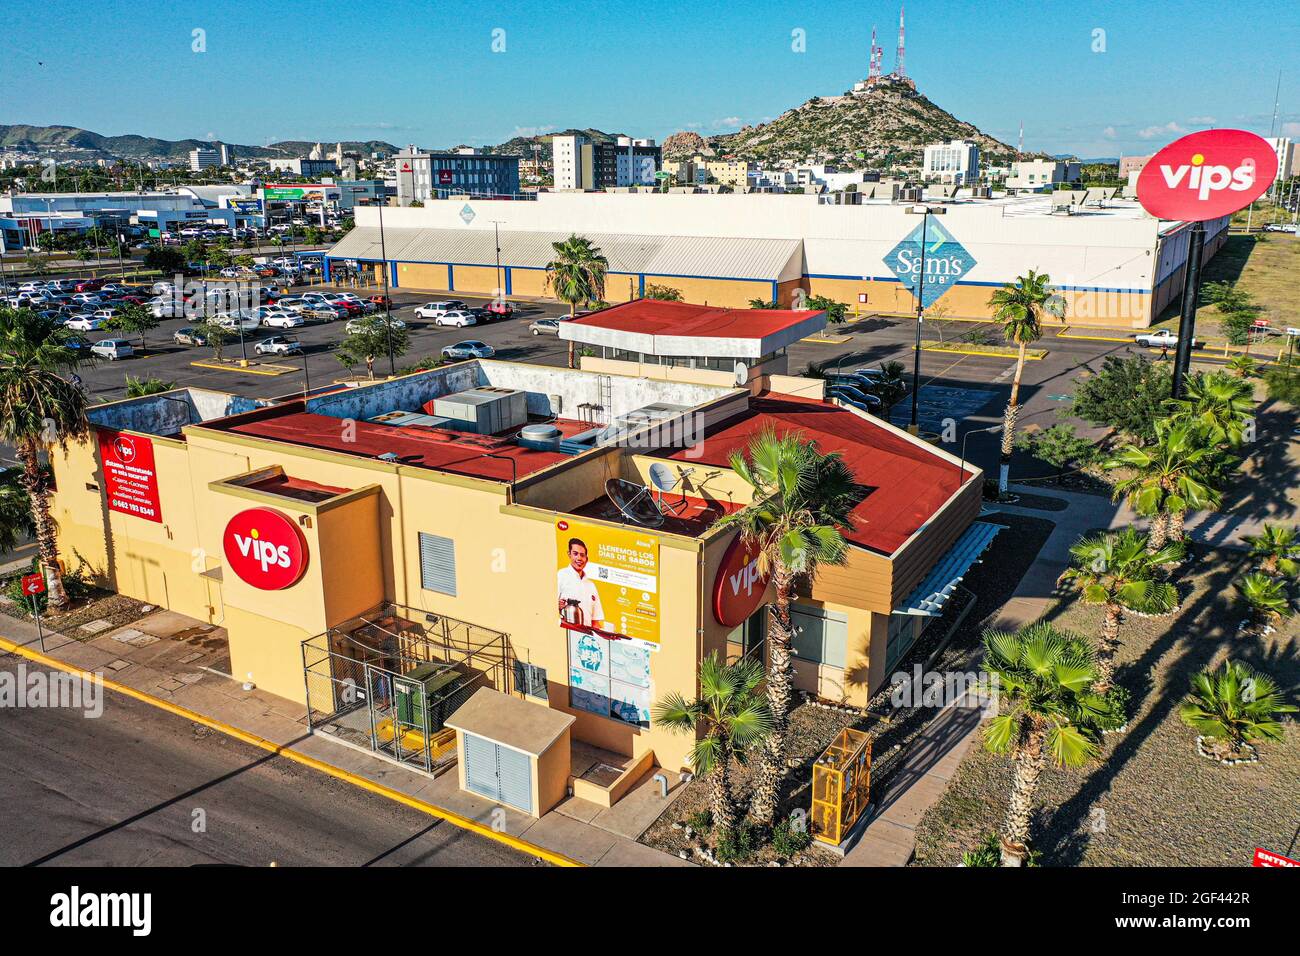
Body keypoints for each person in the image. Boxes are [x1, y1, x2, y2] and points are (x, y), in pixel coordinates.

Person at [557, 537, 608, 633]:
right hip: (566, 634)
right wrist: (557, 606)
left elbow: (596, 621)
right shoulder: (560, 575)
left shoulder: (591, 585)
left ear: (586, 559)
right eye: (575, 554)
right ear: (569, 554)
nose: (579, 558)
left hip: (587, 637)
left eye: (582, 555)